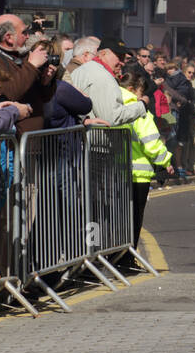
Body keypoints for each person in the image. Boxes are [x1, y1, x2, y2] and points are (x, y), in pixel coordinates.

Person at [120, 65, 173, 244]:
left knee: (119, 218)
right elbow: (150, 141)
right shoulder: (137, 108)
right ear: (131, 89)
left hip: (118, 170)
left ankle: (116, 255)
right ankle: (129, 255)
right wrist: (166, 161)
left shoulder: (113, 104)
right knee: (135, 219)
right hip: (138, 173)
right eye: (141, 92)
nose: (144, 97)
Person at [0, 14, 57, 135]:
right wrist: (32, 66)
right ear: (9, 37)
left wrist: (47, 81)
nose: (28, 36)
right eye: (24, 33)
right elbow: (10, 92)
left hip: (32, 141)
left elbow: (44, 98)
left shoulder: (19, 57)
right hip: (12, 144)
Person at [65, 38, 147, 126]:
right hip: (95, 138)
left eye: (123, 58)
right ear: (103, 53)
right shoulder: (102, 76)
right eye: (119, 57)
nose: (122, 63)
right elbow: (112, 117)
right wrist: (142, 106)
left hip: (84, 136)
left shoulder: (82, 70)